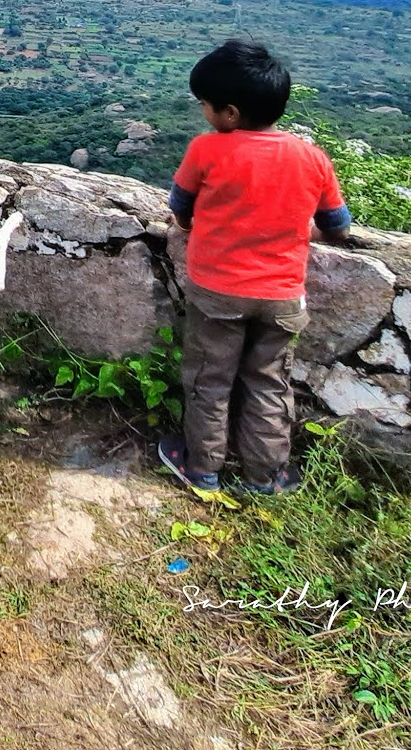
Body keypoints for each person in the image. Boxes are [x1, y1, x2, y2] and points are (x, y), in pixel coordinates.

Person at [158, 39, 349, 496]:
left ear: (229, 113)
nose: (203, 113)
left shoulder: (207, 150)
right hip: (281, 295)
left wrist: (193, 223)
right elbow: (337, 227)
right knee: (268, 382)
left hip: (217, 291)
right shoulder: (311, 156)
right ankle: (265, 476)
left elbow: (180, 211)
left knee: (210, 380)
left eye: (205, 105)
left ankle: (203, 469)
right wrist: (303, 234)